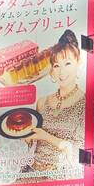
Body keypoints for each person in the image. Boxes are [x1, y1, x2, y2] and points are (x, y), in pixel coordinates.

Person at [22, 29, 84, 177]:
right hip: (31, 173)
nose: (62, 72)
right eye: (56, 65)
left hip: (63, 177)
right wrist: (28, 137)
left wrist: (44, 136)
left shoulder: (86, 103)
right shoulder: (42, 102)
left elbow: (78, 152)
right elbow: (34, 143)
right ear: (51, 71)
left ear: (78, 64)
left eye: (67, 63)